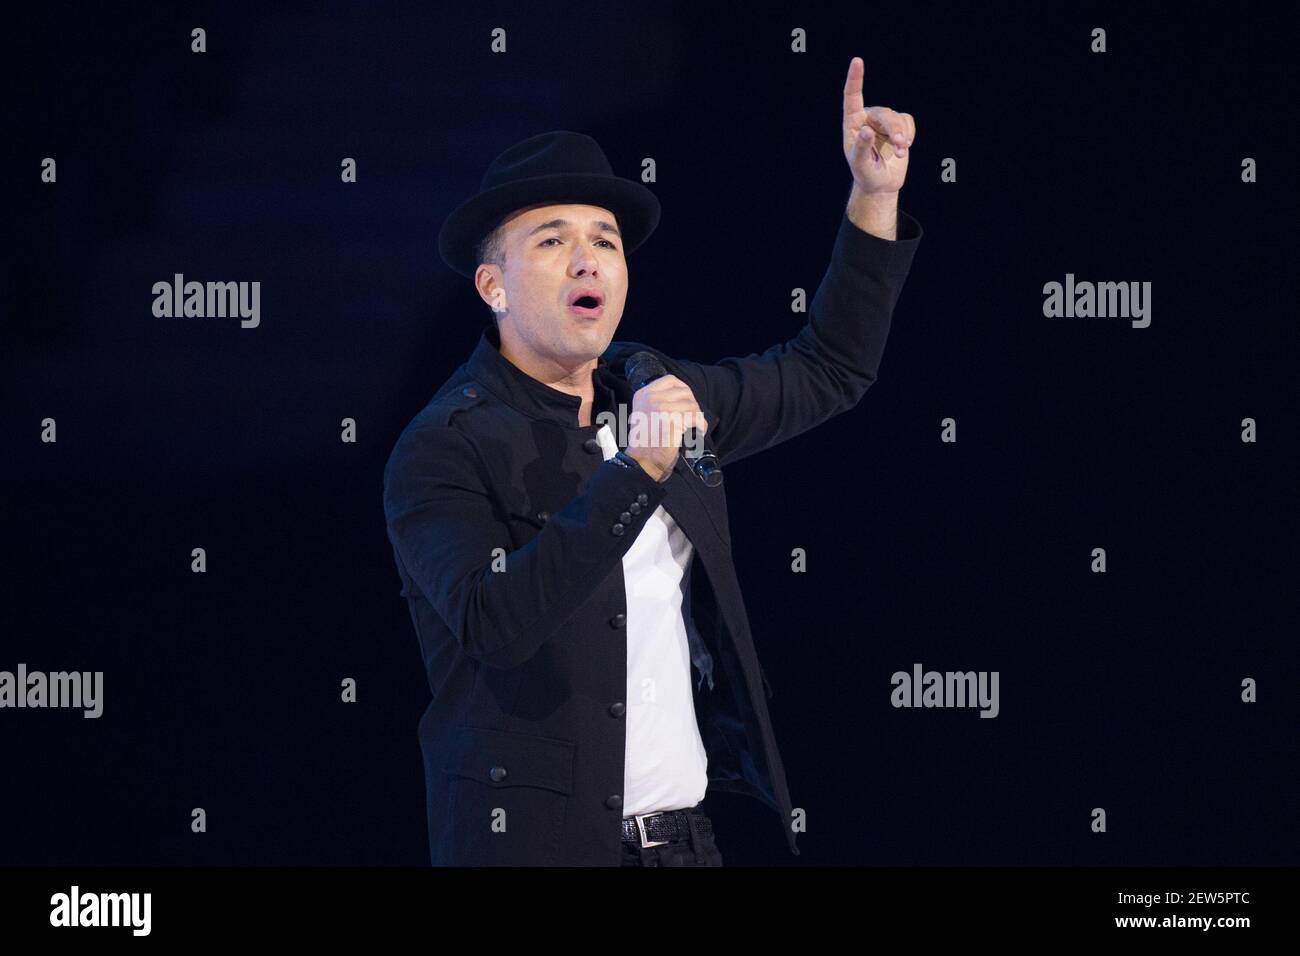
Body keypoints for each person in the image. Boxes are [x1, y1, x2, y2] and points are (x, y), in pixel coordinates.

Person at [383, 57, 921, 866]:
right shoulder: (442, 445)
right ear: (492, 285)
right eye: (553, 239)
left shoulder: (653, 389)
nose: (589, 257)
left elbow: (829, 369)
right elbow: (494, 625)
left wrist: (873, 199)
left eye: (605, 239)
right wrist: (633, 473)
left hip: (685, 847)